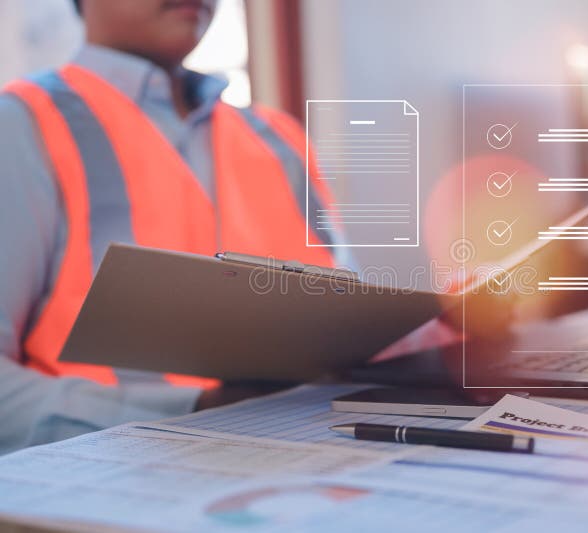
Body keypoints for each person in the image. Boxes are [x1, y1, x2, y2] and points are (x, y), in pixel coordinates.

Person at [0, 0, 345, 454]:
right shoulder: (20, 125)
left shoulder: (280, 138)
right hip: (104, 496)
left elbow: (347, 321)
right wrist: (200, 412)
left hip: (308, 473)